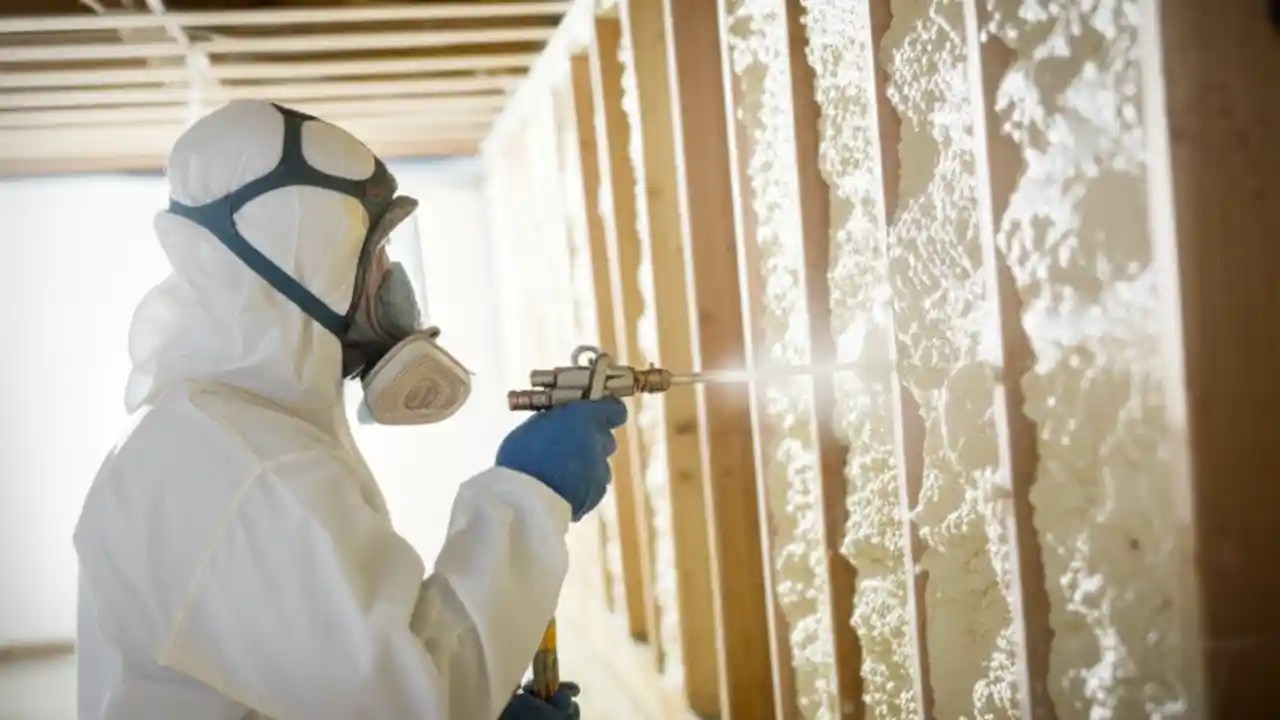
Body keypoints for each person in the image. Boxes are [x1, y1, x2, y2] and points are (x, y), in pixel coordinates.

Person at [73, 100, 625, 720]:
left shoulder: (225, 432)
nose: (391, 279)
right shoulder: (243, 468)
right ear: (311, 263)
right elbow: (414, 701)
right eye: (375, 252)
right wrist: (528, 498)